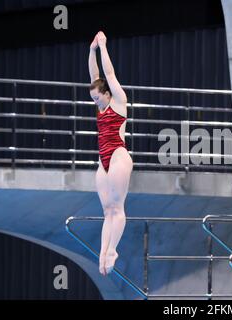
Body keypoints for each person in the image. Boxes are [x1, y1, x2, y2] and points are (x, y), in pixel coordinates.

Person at [88, 31, 133, 275]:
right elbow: (95, 75)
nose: (96, 102)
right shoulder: (101, 101)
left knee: (117, 208)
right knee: (107, 211)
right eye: (93, 99)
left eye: (98, 98)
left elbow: (108, 74)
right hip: (103, 161)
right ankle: (103, 254)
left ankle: (113, 250)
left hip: (118, 156)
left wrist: (104, 46)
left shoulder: (118, 100)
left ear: (107, 94)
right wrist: (91, 50)